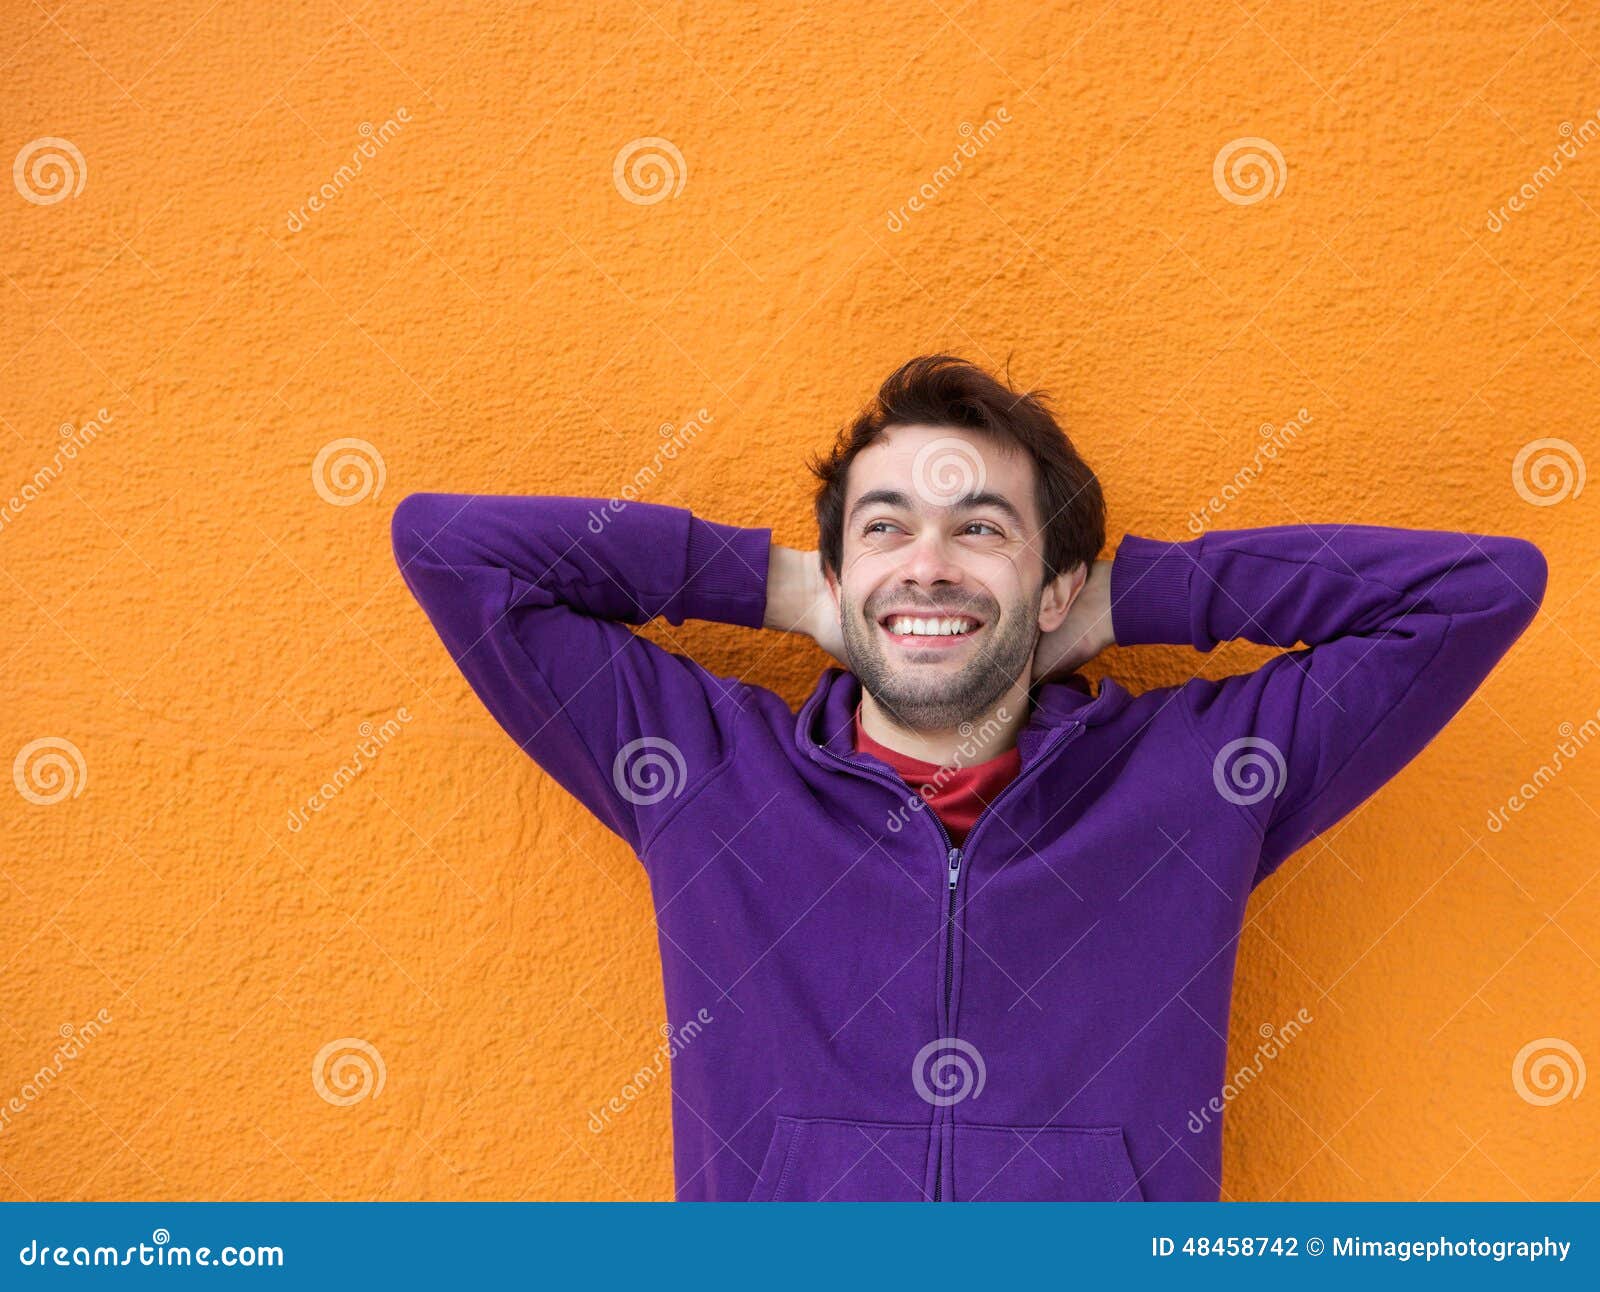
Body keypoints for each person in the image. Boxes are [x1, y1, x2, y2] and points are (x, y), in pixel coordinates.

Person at [389, 353, 1546, 1201]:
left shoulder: (1201, 785)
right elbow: (451, 549)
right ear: (838, 576)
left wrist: (1131, 601)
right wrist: (783, 589)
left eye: (981, 529)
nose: (929, 564)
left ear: (1056, 588)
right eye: (886, 528)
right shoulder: (699, 774)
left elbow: (1478, 590)